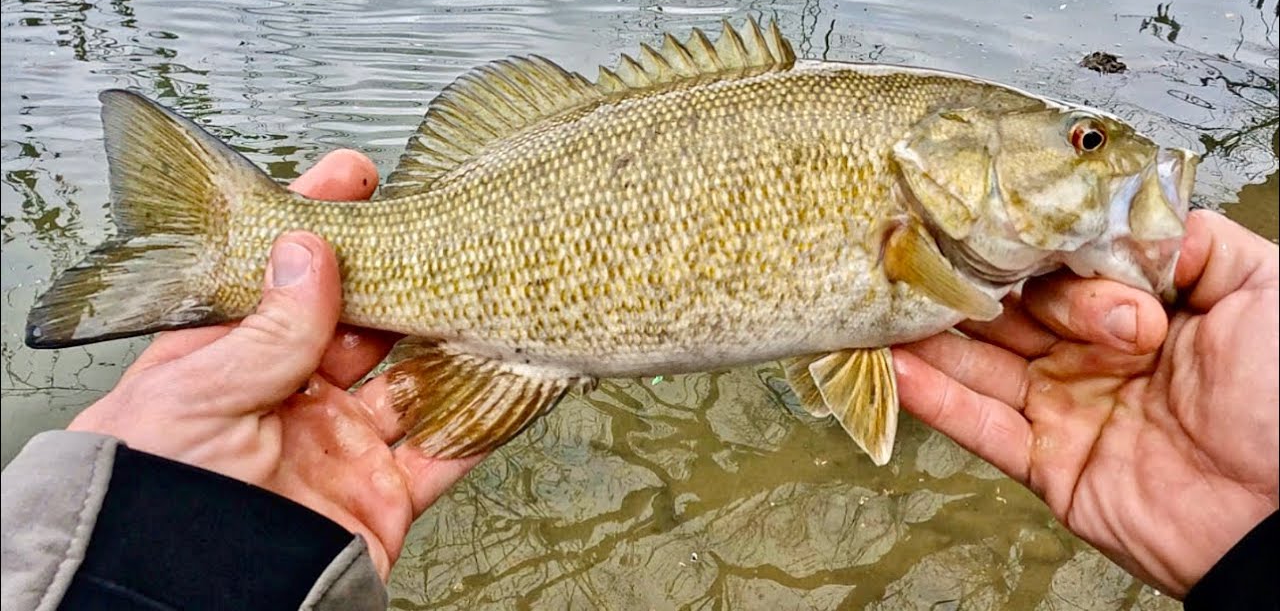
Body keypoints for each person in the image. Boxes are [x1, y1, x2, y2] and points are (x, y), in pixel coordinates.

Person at [1, 150, 1275, 610]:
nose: (1110, 157)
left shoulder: (938, 267)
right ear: (938, 166)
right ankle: (229, 237)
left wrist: (148, 556)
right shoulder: (917, 260)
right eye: (1083, 139)